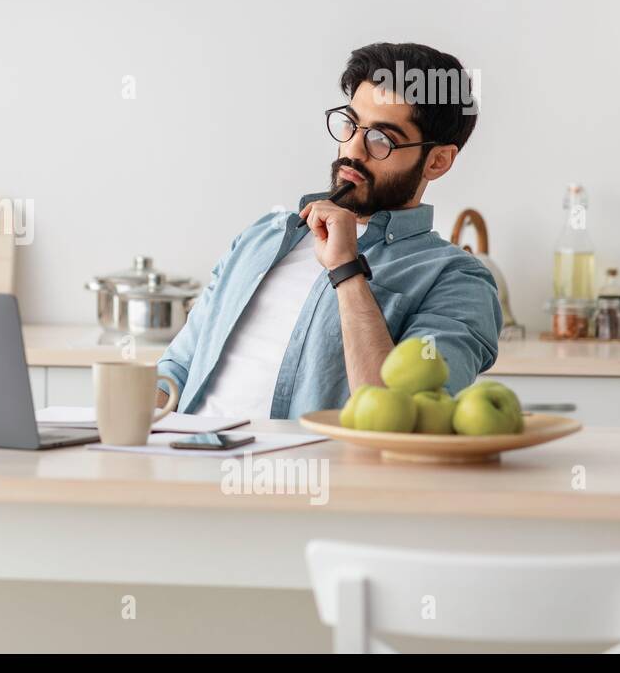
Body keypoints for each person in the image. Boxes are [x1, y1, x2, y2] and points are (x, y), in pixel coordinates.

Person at [157, 42, 502, 418]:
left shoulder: (457, 280)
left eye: (382, 138)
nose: (354, 149)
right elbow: (177, 369)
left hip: (308, 474)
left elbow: (402, 416)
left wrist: (346, 270)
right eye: (351, 124)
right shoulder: (264, 235)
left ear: (437, 161)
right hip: (185, 461)